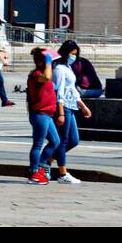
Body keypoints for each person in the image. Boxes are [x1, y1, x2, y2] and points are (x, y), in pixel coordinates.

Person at [48, 40, 92, 183]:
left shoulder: (68, 67)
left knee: (74, 140)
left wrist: (82, 106)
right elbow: (59, 91)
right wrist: (60, 113)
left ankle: (47, 160)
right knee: (63, 140)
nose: (74, 57)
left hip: (71, 106)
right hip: (63, 107)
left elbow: (72, 89)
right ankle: (62, 173)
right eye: (72, 54)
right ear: (66, 53)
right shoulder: (59, 69)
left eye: (76, 54)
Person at [25, 48, 62, 184]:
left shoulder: (41, 73)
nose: (52, 64)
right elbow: (46, 77)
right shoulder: (36, 75)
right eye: (50, 62)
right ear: (40, 61)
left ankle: (40, 166)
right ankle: (34, 172)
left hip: (47, 114)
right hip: (40, 114)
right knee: (38, 144)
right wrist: (47, 61)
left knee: (55, 142)